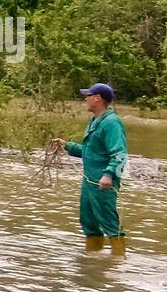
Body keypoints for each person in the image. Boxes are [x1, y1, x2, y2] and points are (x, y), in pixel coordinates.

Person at [52, 83, 129, 254]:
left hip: (103, 182)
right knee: (88, 221)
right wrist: (67, 146)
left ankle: (118, 261)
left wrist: (109, 175)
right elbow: (90, 151)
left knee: (109, 222)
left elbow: (120, 154)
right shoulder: (95, 120)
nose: (85, 99)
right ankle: (93, 261)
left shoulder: (111, 122)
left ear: (97, 98)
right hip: (89, 181)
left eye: (88, 95)